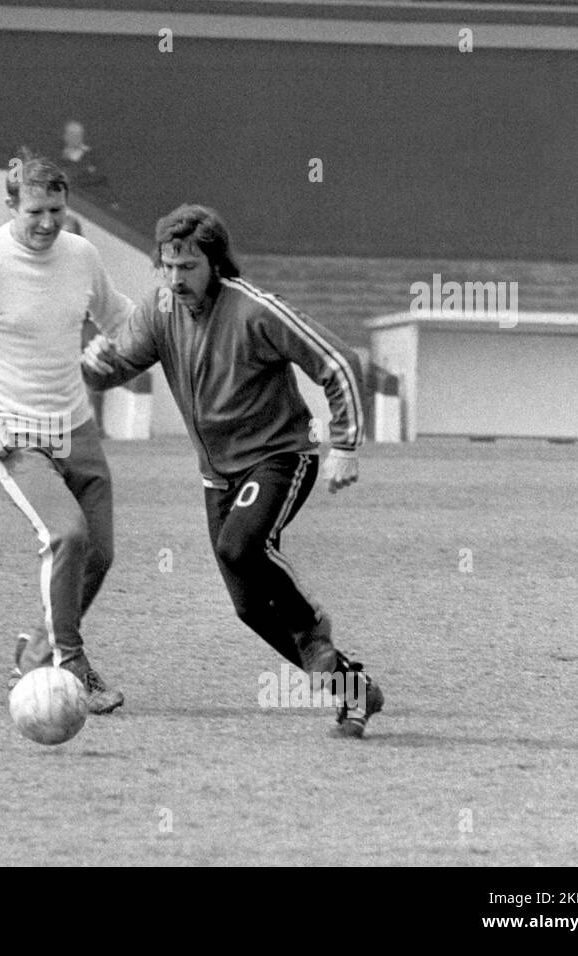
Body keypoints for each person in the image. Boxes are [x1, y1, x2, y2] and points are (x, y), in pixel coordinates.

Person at [81, 204, 385, 737]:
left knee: (239, 546)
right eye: (168, 266)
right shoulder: (158, 310)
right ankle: (350, 687)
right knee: (249, 608)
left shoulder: (255, 310)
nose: (176, 278)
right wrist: (95, 365)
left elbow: (337, 362)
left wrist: (346, 445)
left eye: (188, 267)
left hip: (280, 457)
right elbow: (116, 372)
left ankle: (315, 631)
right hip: (217, 476)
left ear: (216, 264)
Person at [0, 154, 138, 714]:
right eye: (34, 210)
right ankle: (71, 665)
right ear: (11, 204)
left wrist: (124, 343)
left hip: (77, 428)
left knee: (100, 555)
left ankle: (35, 651)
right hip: (13, 435)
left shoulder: (82, 255)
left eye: (56, 210)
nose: (46, 223)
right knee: (67, 536)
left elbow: (120, 320)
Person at [59, 120, 121, 210]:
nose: (74, 138)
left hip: (89, 206)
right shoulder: (59, 156)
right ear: (65, 136)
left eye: (77, 135)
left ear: (82, 137)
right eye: (71, 134)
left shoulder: (91, 156)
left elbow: (100, 180)